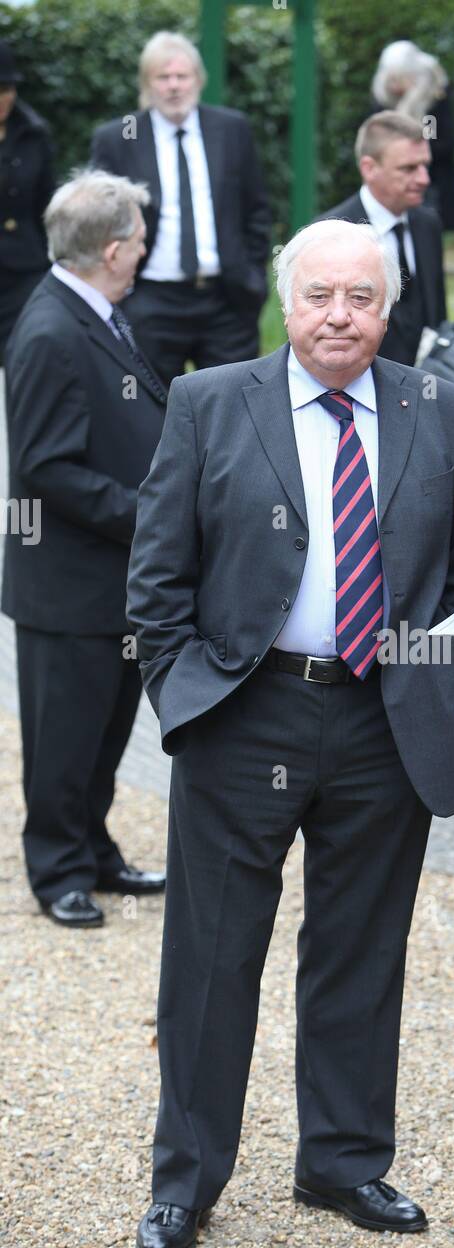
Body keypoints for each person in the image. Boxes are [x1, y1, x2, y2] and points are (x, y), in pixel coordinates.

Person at [127, 220, 454, 1248]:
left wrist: (435, 674)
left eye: (361, 298)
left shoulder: (437, 406)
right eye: (321, 295)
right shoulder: (208, 402)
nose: (341, 315)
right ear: (287, 305)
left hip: (387, 717)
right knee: (210, 957)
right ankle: (185, 1182)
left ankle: (341, 1160)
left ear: (390, 309)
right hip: (247, 714)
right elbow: (157, 578)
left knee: (360, 952)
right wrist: (184, 697)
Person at [1, 171, 167, 928]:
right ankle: (58, 869)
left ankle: (93, 849)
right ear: (110, 248)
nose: (142, 252)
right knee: (64, 737)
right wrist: (151, 515)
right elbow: (45, 467)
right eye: (136, 239)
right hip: (68, 587)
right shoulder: (49, 331)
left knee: (105, 729)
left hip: (108, 582)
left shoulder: (92, 311)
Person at [90, 30, 271, 383]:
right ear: (147, 84)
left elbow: (256, 208)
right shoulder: (119, 138)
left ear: (198, 81)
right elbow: (100, 221)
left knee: (231, 411)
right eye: (163, 77)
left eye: (182, 76)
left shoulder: (231, 128)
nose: (174, 86)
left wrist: (251, 278)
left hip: (225, 299)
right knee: (148, 414)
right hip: (148, 299)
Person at [321, 112, 446, 367]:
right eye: (409, 168)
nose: (424, 179)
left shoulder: (427, 224)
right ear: (369, 168)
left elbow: (436, 315)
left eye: (425, 165)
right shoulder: (331, 233)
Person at [370, 40, 454, 231]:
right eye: (393, 80)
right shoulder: (383, 94)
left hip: (435, 175)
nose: (397, 87)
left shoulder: (434, 92)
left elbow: (440, 140)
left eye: (401, 79)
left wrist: (415, 154)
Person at [0, 40, 54, 362]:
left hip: (24, 270)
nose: (3, 98)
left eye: (7, 88)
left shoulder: (35, 133)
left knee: (25, 359)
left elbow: (46, 206)